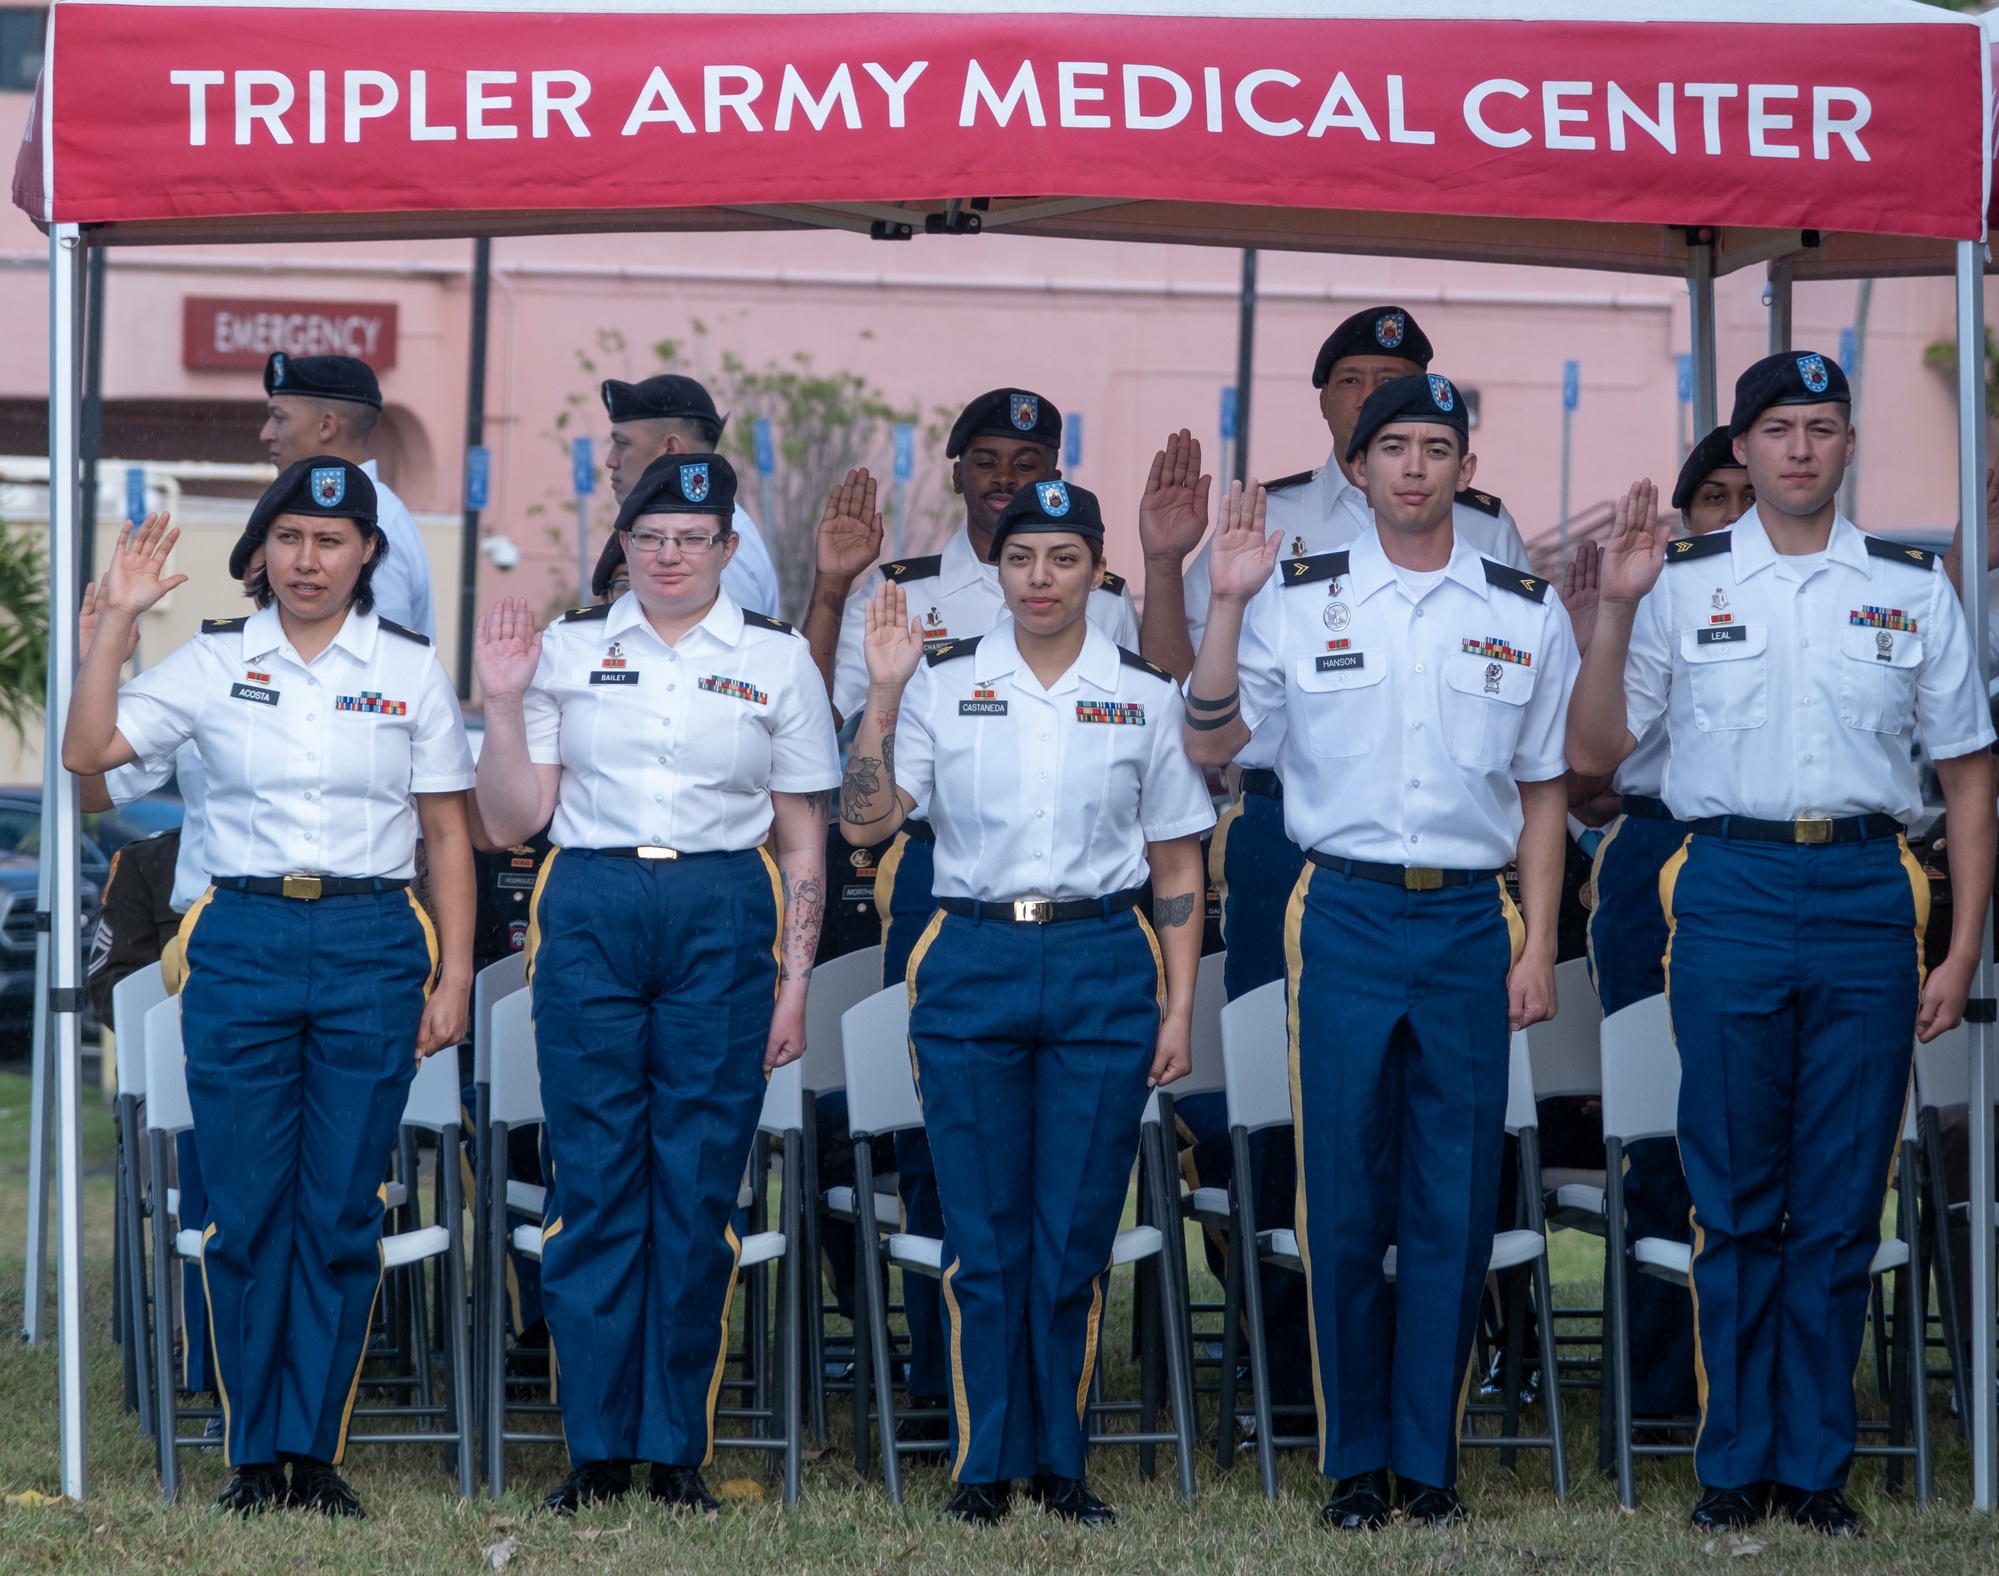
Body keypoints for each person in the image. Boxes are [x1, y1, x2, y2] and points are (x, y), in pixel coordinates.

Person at [1565, 351, 1996, 1537]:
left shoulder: (1910, 588)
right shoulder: (1680, 582)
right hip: (1730, 884)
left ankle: (1814, 1470)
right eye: (1776, 429)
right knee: (1735, 1190)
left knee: (1843, 1193)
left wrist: (1960, 950)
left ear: (1848, 443)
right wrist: (1615, 608)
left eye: (1820, 427)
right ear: (1741, 448)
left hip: (1866, 887)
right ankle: (1733, 1463)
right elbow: (1592, 753)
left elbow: (1968, 776)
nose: (1799, 448)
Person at [1183, 373, 1575, 1530]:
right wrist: (1224, 604)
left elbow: (1545, 791)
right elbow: (1213, 741)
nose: (1412, 466)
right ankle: (1355, 1460)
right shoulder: (1298, 596)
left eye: (1435, 447)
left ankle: (1428, 1461)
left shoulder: (1522, 609)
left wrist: (1540, 944)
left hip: (1468, 917)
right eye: (1391, 446)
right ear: (1355, 469)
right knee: (1344, 1193)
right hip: (1344, 911)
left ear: (1466, 469)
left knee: (1453, 1195)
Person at [63, 461, 477, 1517]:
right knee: (246, 1210)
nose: (307, 559)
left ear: (367, 552)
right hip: (241, 934)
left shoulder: (409, 669)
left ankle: (314, 1450)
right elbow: (88, 754)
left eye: (331, 540)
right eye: (288, 537)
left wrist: (457, 975)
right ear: (260, 552)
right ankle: (254, 1454)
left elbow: (445, 834)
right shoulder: (213, 661)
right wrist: (116, 623)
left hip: (372, 938)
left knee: (338, 1208)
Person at [839, 477, 1212, 1526]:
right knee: (983, 1229)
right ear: (996, 569)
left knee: (1075, 1229)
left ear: (1098, 570)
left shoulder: (1143, 692)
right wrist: (881, 692)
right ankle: (982, 1460)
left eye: (1062, 558)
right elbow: (865, 823)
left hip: (1102, 960)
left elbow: (1177, 860)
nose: (1039, 579)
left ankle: (1058, 1460)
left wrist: (1180, 1007)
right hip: (972, 954)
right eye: (1019, 558)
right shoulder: (940, 680)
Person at [471, 451, 837, 1516]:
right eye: (650, 538)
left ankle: (675, 1447)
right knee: (592, 1183)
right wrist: (503, 705)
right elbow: (509, 821)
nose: (670, 556)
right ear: (622, 546)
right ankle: (596, 1447)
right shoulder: (568, 649)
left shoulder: (777, 660)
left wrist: (794, 984)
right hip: (592, 902)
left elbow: (802, 841)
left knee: (695, 1186)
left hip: (723, 908)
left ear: (728, 547)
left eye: (692, 539)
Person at [804, 391, 1140, 1433]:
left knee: (1066, 1179)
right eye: (986, 459)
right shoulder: (901, 592)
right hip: (939, 881)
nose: (1004, 477)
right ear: (955, 472)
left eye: (1026, 459)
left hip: (1082, 909)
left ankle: (1046, 1416)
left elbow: (1155, 730)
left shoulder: (1109, 602)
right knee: (943, 1149)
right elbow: (825, 727)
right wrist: (832, 590)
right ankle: (940, 1387)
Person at [260, 352, 436, 640]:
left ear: (326, 426)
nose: (266, 433)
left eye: (279, 418)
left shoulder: (374, 519)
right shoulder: (370, 511)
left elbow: (381, 652)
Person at [599, 374, 780, 617]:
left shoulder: (712, 546)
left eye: (623, 444)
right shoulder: (714, 528)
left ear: (670, 449)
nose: (611, 460)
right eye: (649, 537)